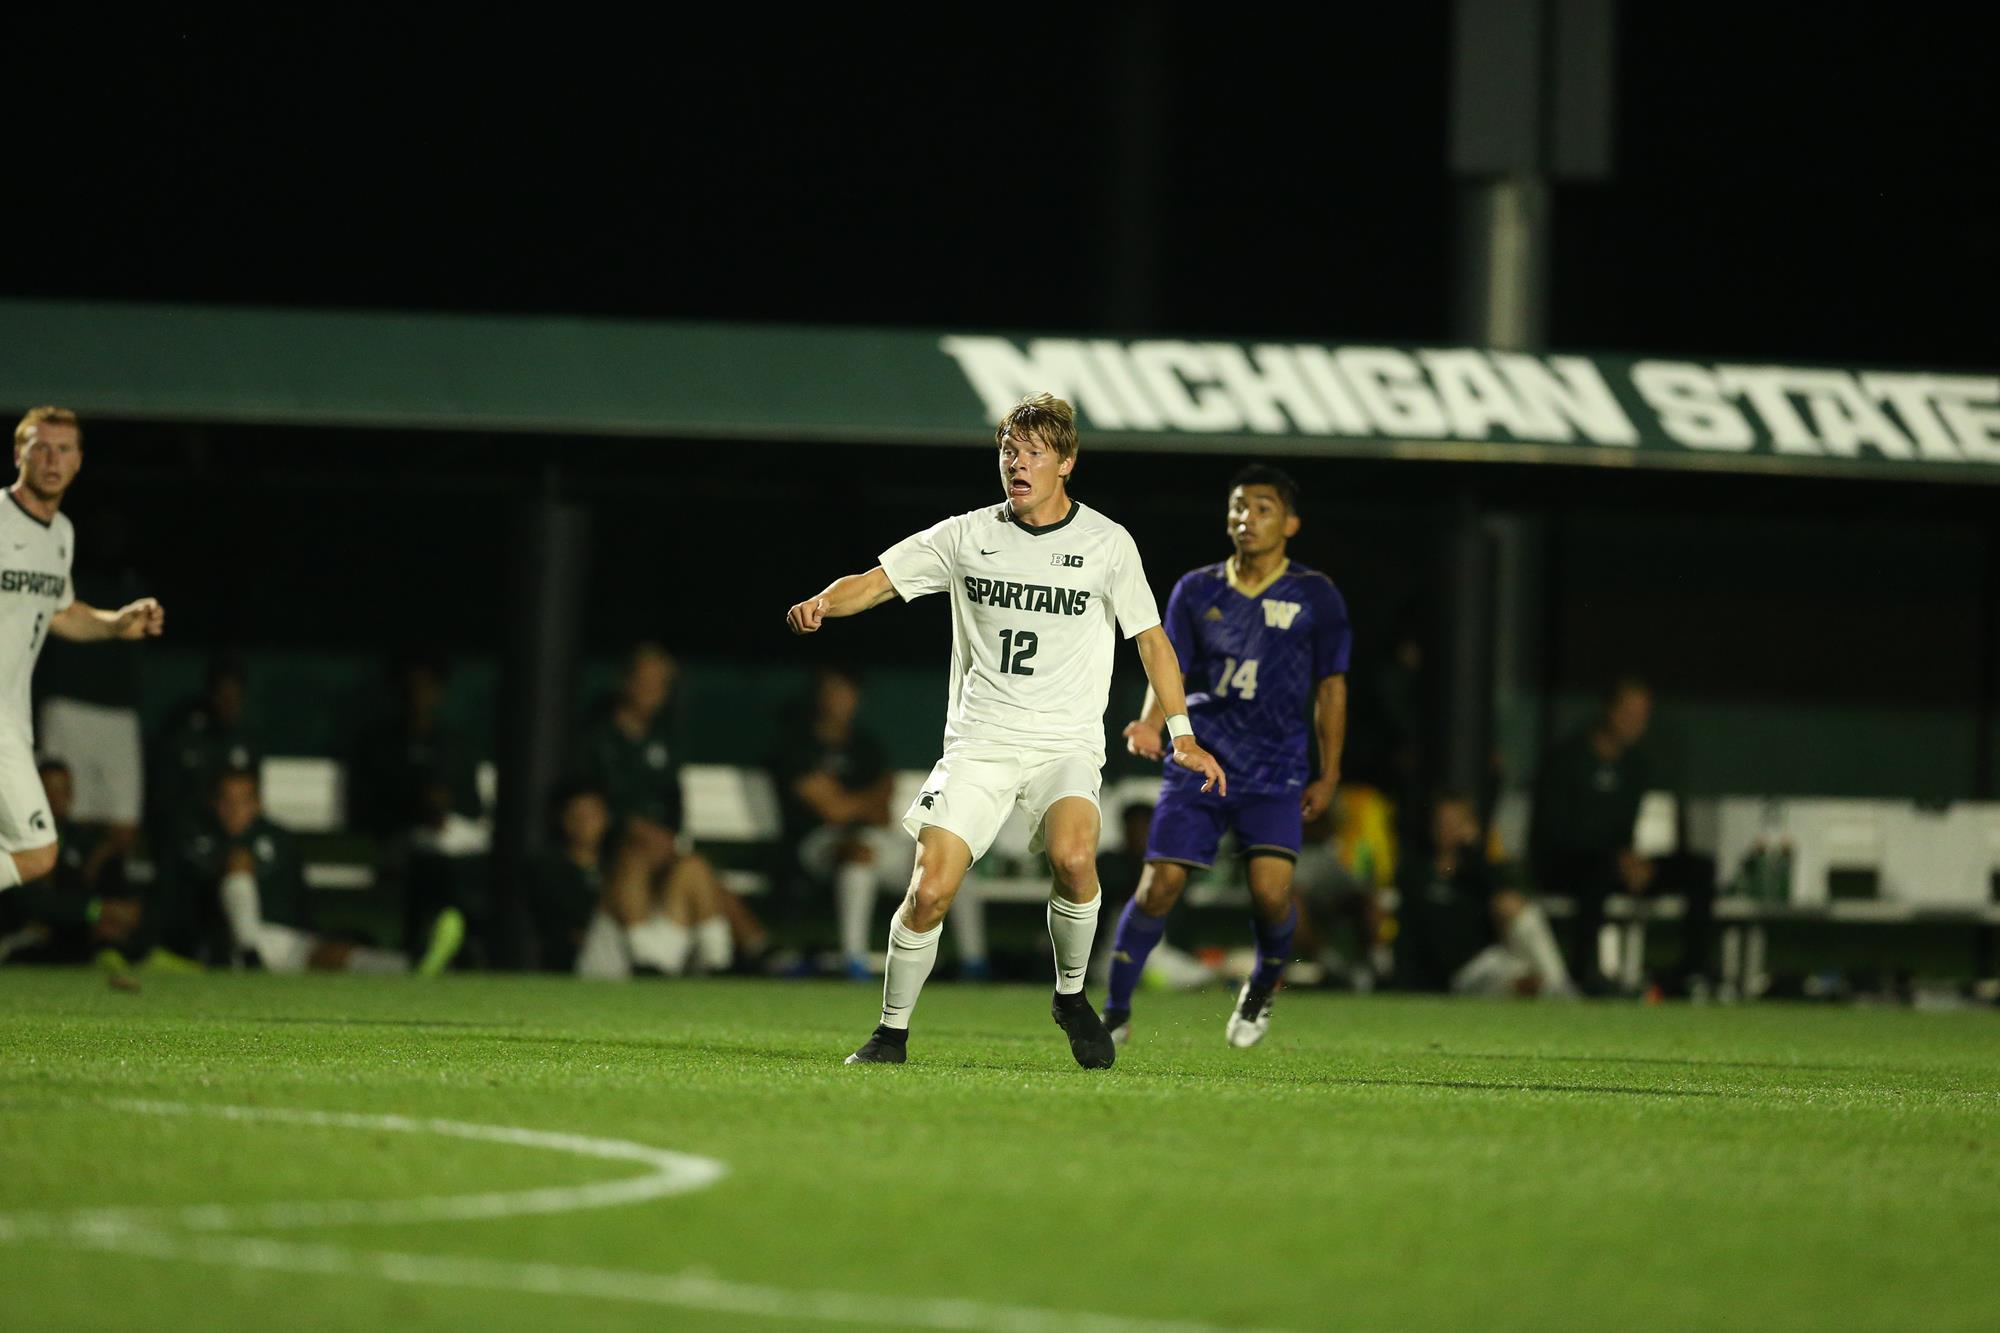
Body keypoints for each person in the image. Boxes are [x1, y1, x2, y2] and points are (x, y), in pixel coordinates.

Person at [786, 392, 1225, 1068]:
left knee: (1077, 859)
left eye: (1033, 453)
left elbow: (1152, 641)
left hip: (1064, 746)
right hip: (980, 745)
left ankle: (1072, 995)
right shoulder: (967, 535)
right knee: (929, 891)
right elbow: (877, 581)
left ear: (1066, 463)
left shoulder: (1106, 543)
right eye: (1008, 452)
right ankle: (890, 1033)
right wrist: (822, 601)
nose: (1016, 464)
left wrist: (1182, 731)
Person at [1102, 464, 1350, 1048]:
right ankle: (1113, 1010)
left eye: (1263, 508)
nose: (1247, 517)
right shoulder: (1197, 588)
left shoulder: (1316, 595)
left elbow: (1331, 689)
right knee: (1158, 884)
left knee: (1270, 893)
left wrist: (1330, 771)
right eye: (1239, 506)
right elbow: (1171, 664)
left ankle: (1263, 984)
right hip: (1201, 760)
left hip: (1275, 769)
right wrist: (1150, 720)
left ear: (1290, 522)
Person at [0, 408, 164, 906]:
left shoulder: (61, 536)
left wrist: (115, 624)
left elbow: (62, 612)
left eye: (64, 449)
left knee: (34, 852)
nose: (52, 459)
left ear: (78, 462)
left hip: (12, 718)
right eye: (41, 447)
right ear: (18, 454)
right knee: (38, 849)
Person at [771, 666, 987, 980]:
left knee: (950, 865)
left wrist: (847, 801)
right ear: (818, 697)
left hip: (874, 838)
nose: (838, 701)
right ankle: (854, 962)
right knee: (858, 857)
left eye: (845, 693)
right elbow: (832, 812)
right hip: (816, 842)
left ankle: (975, 964)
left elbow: (882, 809)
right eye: (831, 692)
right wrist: (859, 802)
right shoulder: (797, 746)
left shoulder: (866, 746)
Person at [161, 767, 463, 974]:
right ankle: (249, 954)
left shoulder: (277, 837)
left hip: (282, 941)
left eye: (243, 801)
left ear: (257, 804)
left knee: (337, 955)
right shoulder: (197, 837)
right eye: (227, 801)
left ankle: (413, 967)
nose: (235, 809)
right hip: (222, 946)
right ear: (215, 805)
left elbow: (297, 896)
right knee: (238, 863)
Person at [575, 644, 736, 974]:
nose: (651, 690)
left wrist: (664, 837)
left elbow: (674, 803)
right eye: (644, 680)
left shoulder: (665, 738)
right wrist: (634, 829)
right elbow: (590, 804)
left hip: (662, 851)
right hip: (614, 852)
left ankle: (717, 964)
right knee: (635, 856)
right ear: (625, 681)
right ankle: (644, 955)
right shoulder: (596, 735)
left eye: (660, 683)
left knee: (695, 868)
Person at [350, 654, 487, 965]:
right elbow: (368, 809)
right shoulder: (381, 744)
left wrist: (445, 809)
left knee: (458, 859)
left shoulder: (455, 744)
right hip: (400, 839)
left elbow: (474, 807)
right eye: (413, 688)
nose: (420, 696)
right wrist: (419, 808)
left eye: (428, 688)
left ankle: (459, 943)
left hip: (453, 840)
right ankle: (425, 947)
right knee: (426, 857)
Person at [1529, 677, 1654, 992]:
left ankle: (1690, 976)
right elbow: (1555, 831)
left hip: (1614, 863)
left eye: (1642, 716)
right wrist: (1616, 858)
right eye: (1628, 713)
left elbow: (1624, 831)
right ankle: (1584, 974)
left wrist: (1632, 861)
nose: (1635, 724)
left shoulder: (1636, 767)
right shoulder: (1567, 758)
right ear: (1609, 711)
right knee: (1597, 871)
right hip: (1562, 864)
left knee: (1697, 870)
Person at [1398, 792, 1572, 996]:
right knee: (1524, 984)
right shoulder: (1417, 874)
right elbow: (1410, 935)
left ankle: (1561, 986)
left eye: (1456, 823)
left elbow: (1503, 891)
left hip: (1495, 959)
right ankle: (1556, 990)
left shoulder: (1475, 871)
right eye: (1443, 823)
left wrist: (1471, 851)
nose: (1448, 830)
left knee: (1515, 906)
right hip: (1462, 974)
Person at [0, 758, 141, 964]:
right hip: (22, 933)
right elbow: (32, 904)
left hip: (72, 933)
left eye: (65, 790)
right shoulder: (15, 838)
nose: (59, 798)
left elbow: (92, 887)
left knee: (109, 864)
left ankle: (119, 949)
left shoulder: (78, 837)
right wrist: (97, 910)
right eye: (50, 790)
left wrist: (113, 909)